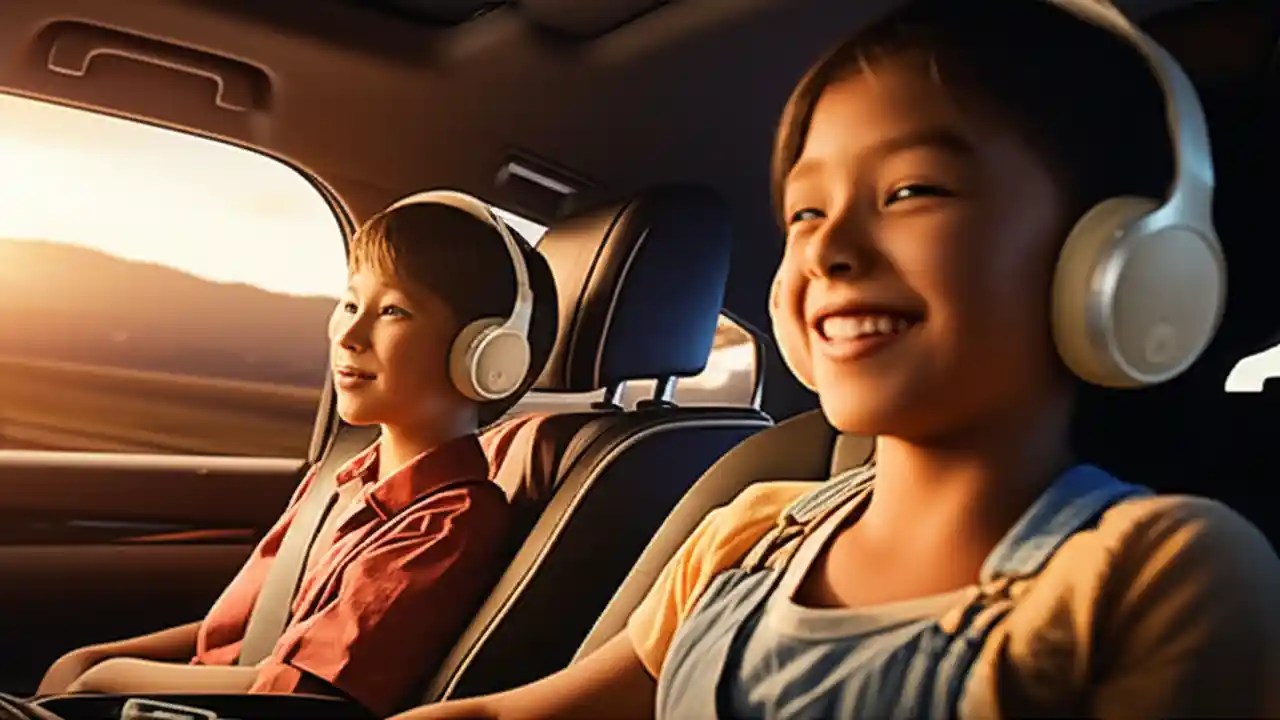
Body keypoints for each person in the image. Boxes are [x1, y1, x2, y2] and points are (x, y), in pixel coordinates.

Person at [392, 2, 1280, 718]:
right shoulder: (749, 534)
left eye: (911, 191)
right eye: (807, 213)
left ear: (1116, 263)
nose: (829, 250)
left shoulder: (1158, 577)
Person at [36, 191, 559, 717]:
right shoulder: (342, 482)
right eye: (351, 304)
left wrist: (105, 679)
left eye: (393, 311)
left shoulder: (448, 521)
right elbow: (253, 633)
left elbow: (303, 697)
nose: (349, 335)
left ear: (489, 354)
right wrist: (96, 659)